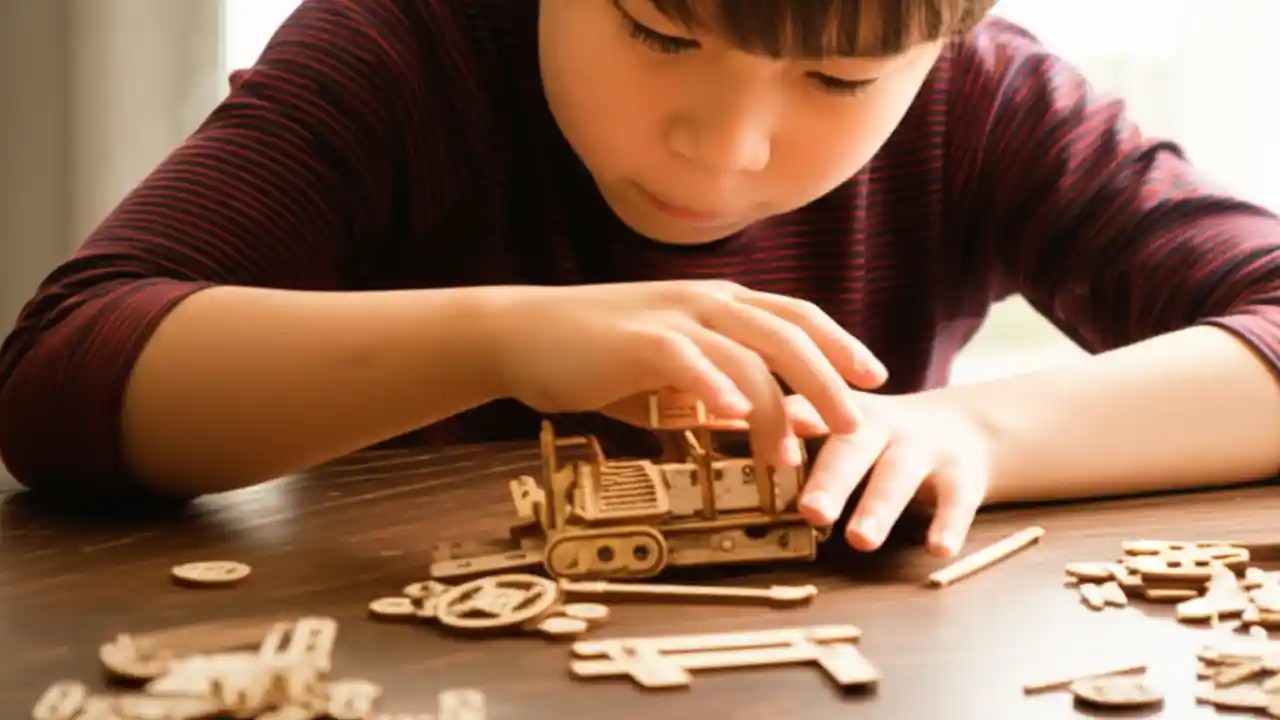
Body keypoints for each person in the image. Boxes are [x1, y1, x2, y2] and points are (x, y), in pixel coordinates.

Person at [0, 0, 1277, 560]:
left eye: (837, 82)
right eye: (659, 34)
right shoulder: (406, 48)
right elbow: (59, 378)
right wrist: (498, 338)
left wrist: (974, 428)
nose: (722, 148)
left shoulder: (985, 96)